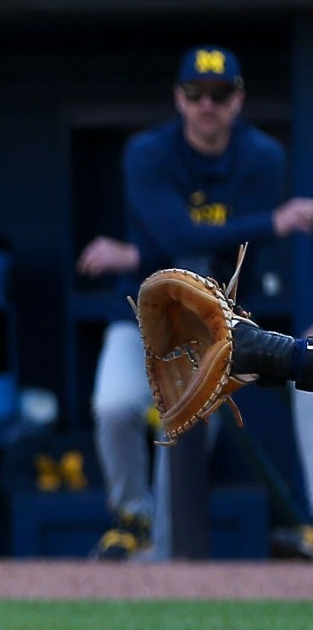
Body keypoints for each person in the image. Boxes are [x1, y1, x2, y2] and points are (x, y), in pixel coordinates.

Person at [84, 46, 313, 562]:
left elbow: (216, 251)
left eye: (220, 94)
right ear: (179, 99)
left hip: (220, 326)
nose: (207, 104)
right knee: (114, 406)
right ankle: (132, 516)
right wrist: (273, 221)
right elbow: (177, 235)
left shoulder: (261, 158)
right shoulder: (148, 152)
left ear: (239, 101)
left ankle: (169, 563)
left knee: (186, 420)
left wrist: (138, 250)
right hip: (144, 313)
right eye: (195, 94)